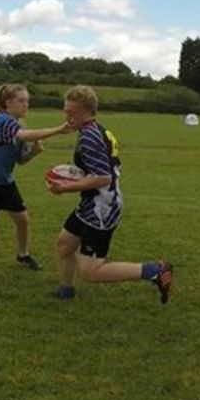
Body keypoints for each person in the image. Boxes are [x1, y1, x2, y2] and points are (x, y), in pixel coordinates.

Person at [46, 85, 173, 303]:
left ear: (87, 111)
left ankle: (155, 270)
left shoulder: (89, 138)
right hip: (91, 201)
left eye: (71, 112)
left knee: (90, 271)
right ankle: (66, 292)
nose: (67, 116)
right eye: (66, 111)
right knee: (65, 243)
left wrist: (64, 187)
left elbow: (102, 177)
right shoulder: (97, 130)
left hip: (101, 207)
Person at [0, 83, 72, 286]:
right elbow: (24, 136)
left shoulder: (17, 124)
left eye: (27, 101)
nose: (26, 105)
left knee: (23, 220)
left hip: (4, 181)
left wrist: (34, 152)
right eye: (21, 100)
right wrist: (58, 129)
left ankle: (22, 255)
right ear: (7, 103)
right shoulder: (2, 120)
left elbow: (20, 160)